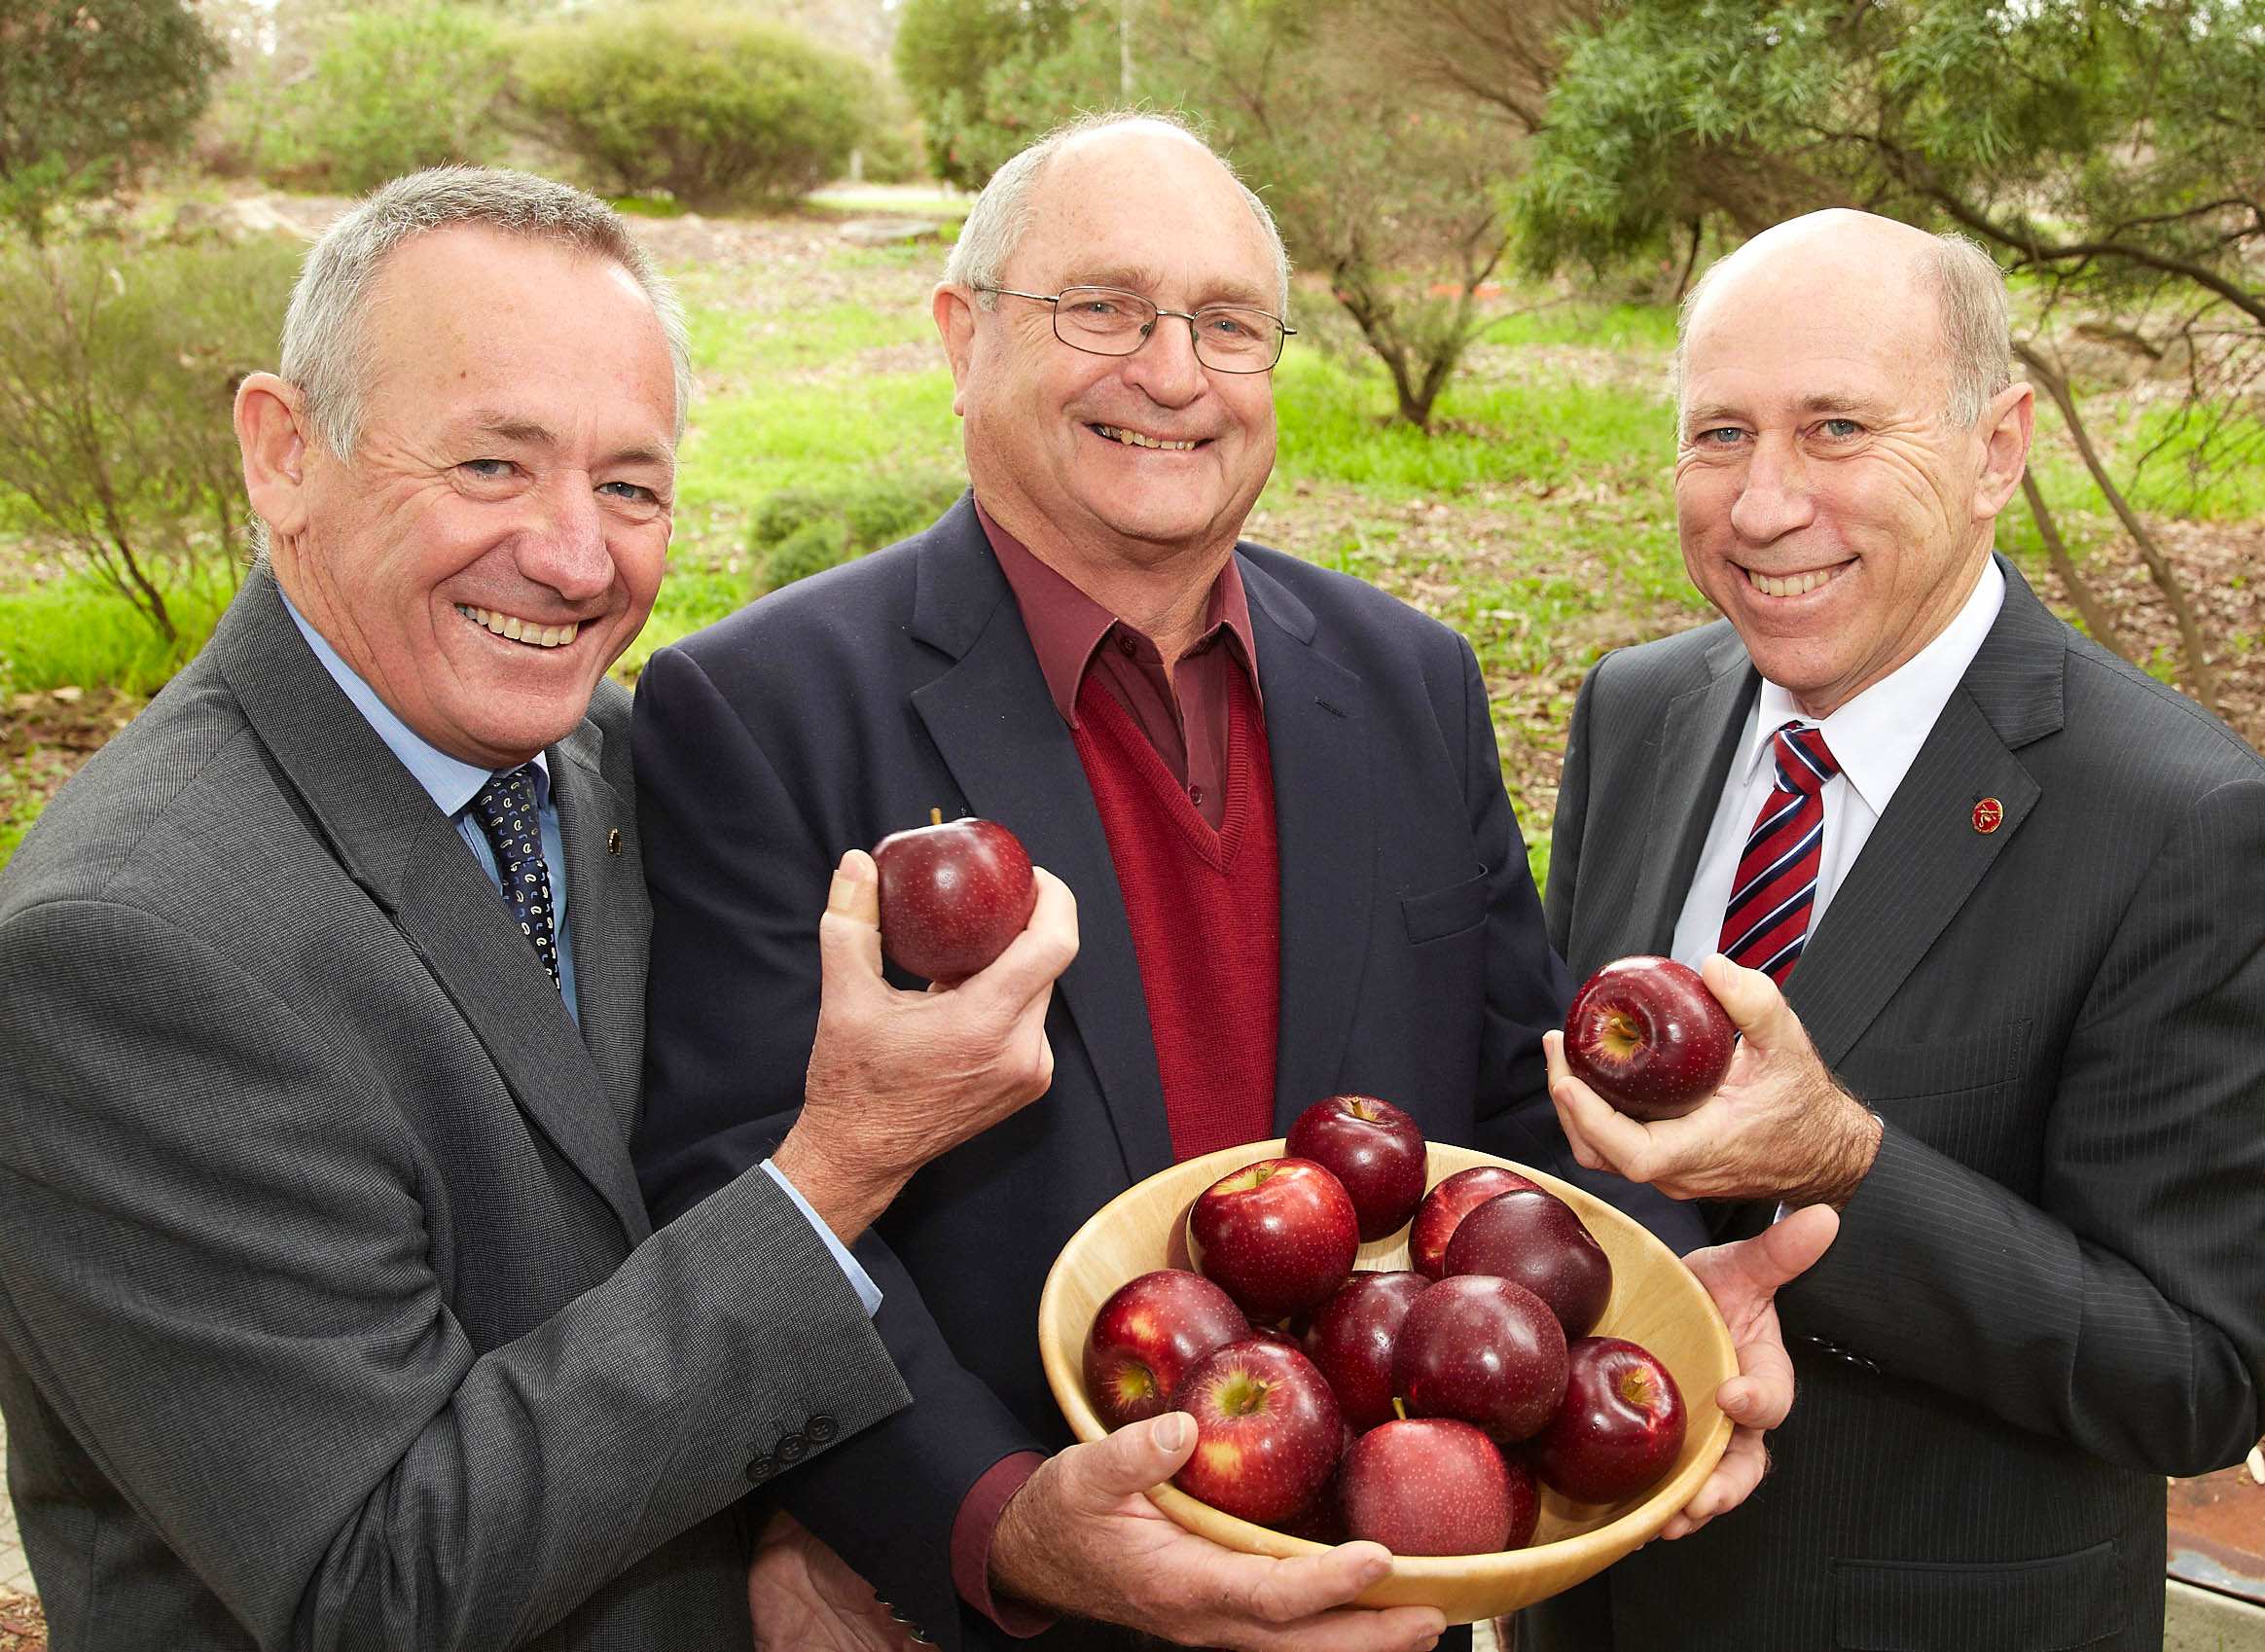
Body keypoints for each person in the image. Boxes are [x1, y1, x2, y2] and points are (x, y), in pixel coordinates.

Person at [630, 113, 1836, 1652]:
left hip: (1379, 1581)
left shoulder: (1411, 681)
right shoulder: (763, 706)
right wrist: (989, 1519)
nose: (1174, 371)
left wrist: (1658, 1286)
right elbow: (743, 1185)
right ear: (960, 333)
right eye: (1106, 309)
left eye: (1227, 323)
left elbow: (1510, 1114)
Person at [0, 166, 1080, 1651]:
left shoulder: (612, 761)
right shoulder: (126, 949)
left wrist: (793, 1519)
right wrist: (839, 1164)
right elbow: (376, 1584)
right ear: (282, 451)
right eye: (492, 467)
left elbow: (643, 1242)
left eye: (630, 484)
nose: (577, 558)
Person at [1526, 209, 2265, 1650]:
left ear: (1998, 448)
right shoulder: (1638, 710)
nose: (1761, 504)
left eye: (1839, 427)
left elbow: (2196, 1373)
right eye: (1719, 433)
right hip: (1590, 1595)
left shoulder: (2180, 819)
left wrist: (1843, 1165)